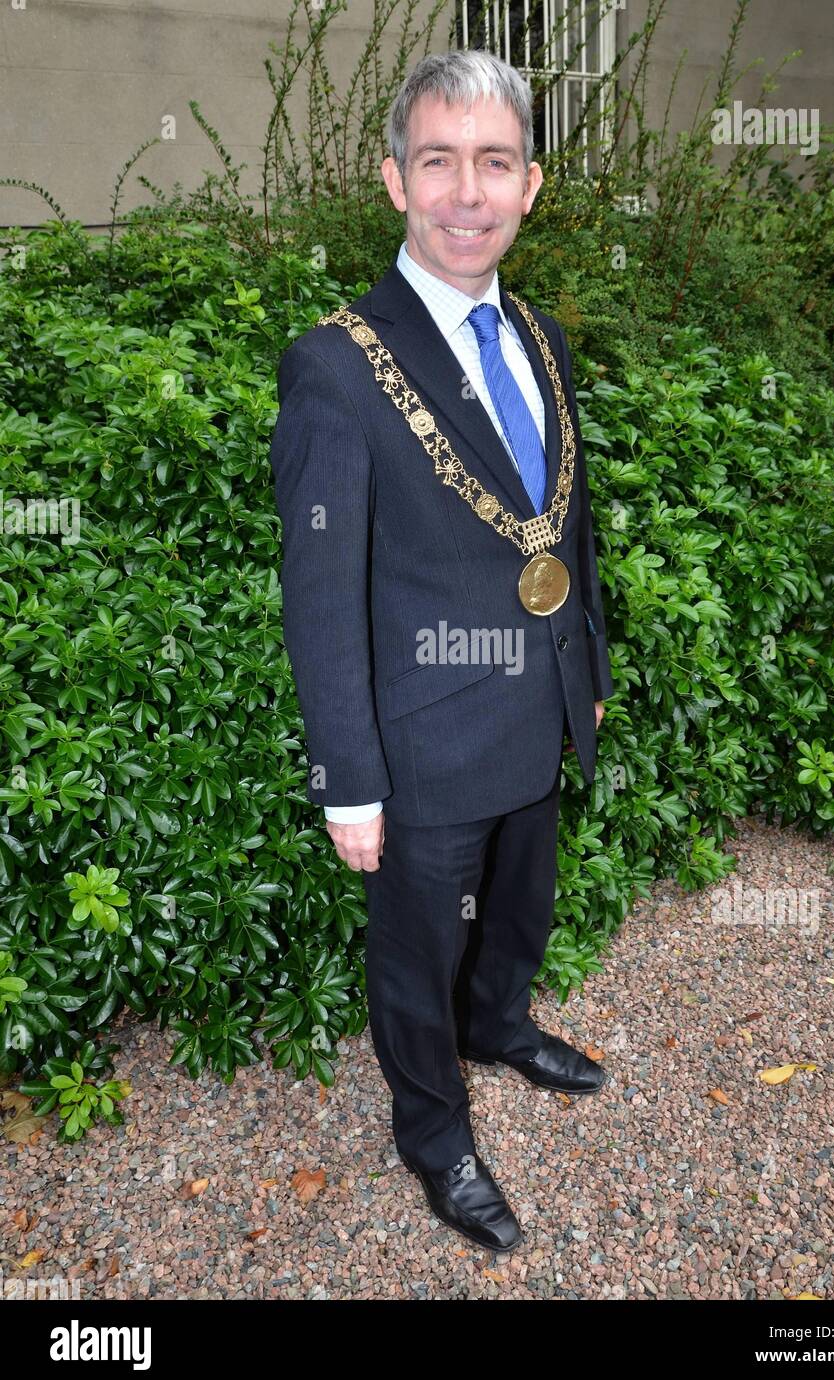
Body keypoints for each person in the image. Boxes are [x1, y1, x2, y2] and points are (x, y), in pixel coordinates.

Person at [270, 49, 615, 1254]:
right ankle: (434, 1131)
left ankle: (502, 1024)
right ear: (393, 180)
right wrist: (347, 778)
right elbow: (318, 595)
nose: (466, 192)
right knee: (417, 958)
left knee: (518, 908)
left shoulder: (542, 335)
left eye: (494, 162)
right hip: (419, 748)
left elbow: (566, 527)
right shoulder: (337, 365)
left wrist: (590, 676)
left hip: (537, 708)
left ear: (531, 184)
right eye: (438, 162)